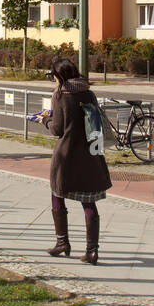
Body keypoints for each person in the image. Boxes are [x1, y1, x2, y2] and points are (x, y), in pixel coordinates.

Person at [39, 57, 112, 264]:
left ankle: (62, 242)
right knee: (88, 200)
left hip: (67, 154)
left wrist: (44, 119)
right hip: (90, 152)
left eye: (53, 75)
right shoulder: (88, 92)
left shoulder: (61, 95)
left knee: (57, 193)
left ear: (59, 76)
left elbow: (57, 129)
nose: (53, 79)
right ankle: (92, 251)